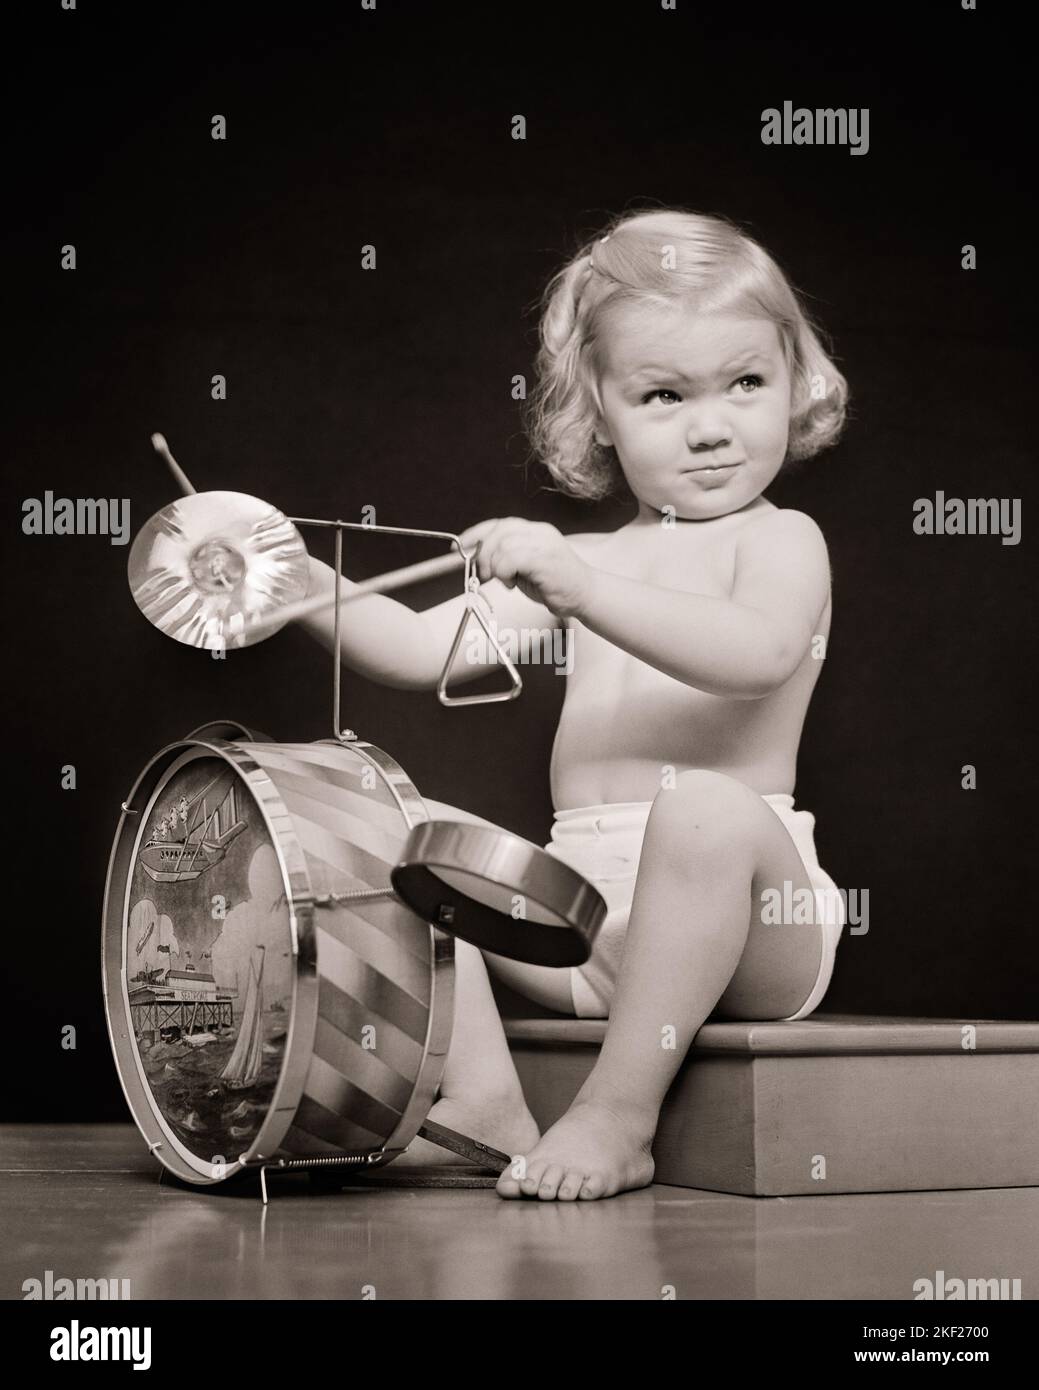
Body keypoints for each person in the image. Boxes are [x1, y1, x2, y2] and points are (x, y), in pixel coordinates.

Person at [299, 208, 849, 1201]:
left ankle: (617, 1115)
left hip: (751, 925)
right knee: (397, 826)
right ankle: (480, 1100)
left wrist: (576, 587)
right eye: (663, 394)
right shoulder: (583, 564)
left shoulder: (780, 541)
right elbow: (421, 649)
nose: (713, 424)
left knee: (703, 806)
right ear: (596, 411)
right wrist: (295, 582)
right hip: (580, 933)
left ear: (794, 381)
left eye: (747, 383)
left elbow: (758, 654)